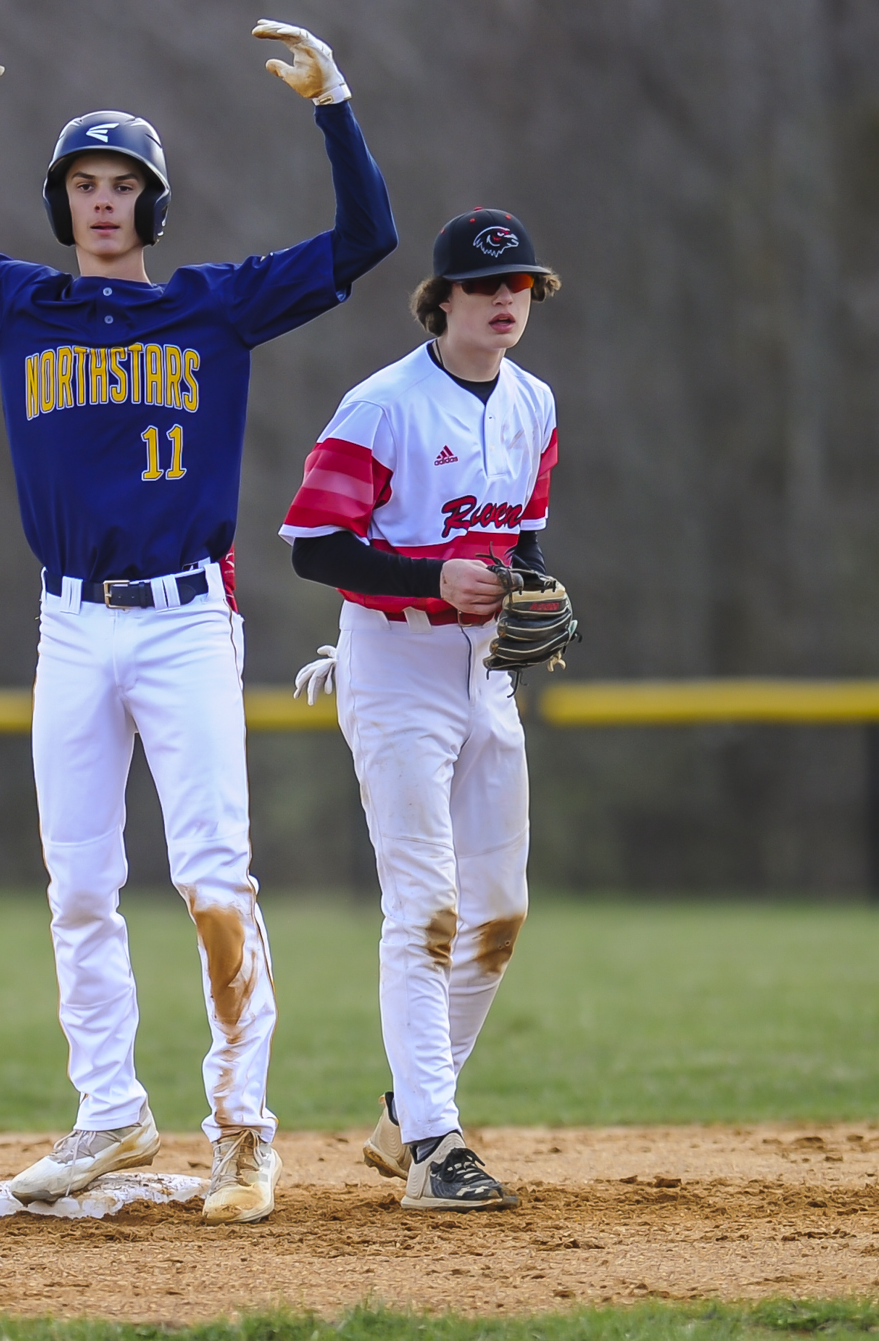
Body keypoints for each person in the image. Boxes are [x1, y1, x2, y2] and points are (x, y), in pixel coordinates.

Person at [0, 26, 397, 1224]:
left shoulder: (211, 307)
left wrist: (335, 108)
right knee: (78, 886)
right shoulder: (18, 303)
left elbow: (364, 242)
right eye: (83, 187)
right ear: (61, 205)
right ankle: (108, 1111)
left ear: (155, 205)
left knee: (212, 876)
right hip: (69, 627)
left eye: (123, 188)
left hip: (183, 621)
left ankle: (243, 1127)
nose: (103, 204)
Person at [278, 209, 562, 1211]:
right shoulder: (381, 405)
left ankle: (406, 1108)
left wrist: (529, 587)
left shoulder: (532, 403)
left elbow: (520, 538)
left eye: (518, 286)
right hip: (395, 667)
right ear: (438, 299)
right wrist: (430, 578)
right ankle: (438, 1147)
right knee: (425, 909)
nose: (502, 301)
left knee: (497, 915)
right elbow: (312, 542)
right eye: (483, 286)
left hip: (483, 671)